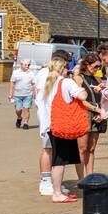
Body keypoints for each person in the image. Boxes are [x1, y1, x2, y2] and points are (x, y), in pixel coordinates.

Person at [45, 57, 100, 203]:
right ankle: (57, 193)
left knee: (57, 159)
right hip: (63, 126)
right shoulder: (66, 82)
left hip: (52, 124)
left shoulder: (50, 82)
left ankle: (57, 191)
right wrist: (81, 86)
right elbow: (82, 95)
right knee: (59, 161)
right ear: (64, 69)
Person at [33, 50, 71, 196]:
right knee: (48, 149)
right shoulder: (46, 73)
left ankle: (53, 183)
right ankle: (45, 182)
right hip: (49, 118)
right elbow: (44, 97)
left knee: (53, 150)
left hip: (52, 117)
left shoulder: (47, 73)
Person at [77, 53, 107, 175]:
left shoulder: (97, 79)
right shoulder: (78, 79)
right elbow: (80, 101)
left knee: (92, 148)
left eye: (99, 67)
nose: (98, 69)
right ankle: (81, 179)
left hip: (96, 116)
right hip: (83, 115)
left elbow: (103, 99)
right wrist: (98, 110)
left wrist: (100, 112)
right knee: (82, 149)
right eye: (96, 66)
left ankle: (90, 175)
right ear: (87, 65)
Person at [8, 58, 37, 129]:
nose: (27, 66)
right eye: (26, 65)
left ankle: (26, 123)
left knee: (26, 109)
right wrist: (10, 93)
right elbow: (12, 83)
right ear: (21, 65)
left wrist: (35, 93)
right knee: (18, 109)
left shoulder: (31, 73)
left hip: (28, 94)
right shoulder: (16, 72)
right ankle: (19, 117)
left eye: (28, 65)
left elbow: (34, 84)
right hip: (17, 95)